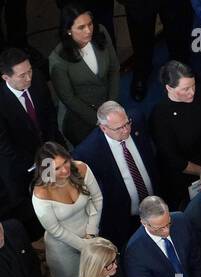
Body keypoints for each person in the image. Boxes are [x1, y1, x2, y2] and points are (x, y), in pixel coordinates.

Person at [71, 101, 160, 250]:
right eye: (119, 128)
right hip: (124, 217)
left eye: (127, 123)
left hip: (155, 203)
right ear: (103, 128)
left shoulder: (137, 120)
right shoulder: (88, 152)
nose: (126, 130)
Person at [149, 61, 201, 210]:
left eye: (193, 85)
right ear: (168, 88)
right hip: (183, 177)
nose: (192, 92)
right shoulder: (160, 116)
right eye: (185, 89)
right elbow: (174, 160)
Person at [31, 142, 102, 277]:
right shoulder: (41, 193)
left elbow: (97, 199)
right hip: (62, 248)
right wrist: (84, 246)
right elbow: (55, 230)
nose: (64, 170)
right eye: (57, 168)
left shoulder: (81, 168)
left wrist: (91, 233)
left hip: (90, 235)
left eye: (65, 162)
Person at [0, 50, 64, 224]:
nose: (29, 78)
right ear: (6, 78)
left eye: (30, 71)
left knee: (56, 191)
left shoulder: (37, 82)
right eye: (22, 75)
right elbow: (4, 145)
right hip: (20, 165)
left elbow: (50, 115)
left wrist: (49, 150)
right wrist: (36, 163)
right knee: (31, 206)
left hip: (47, 151)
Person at [47, 4, 119, 146]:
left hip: (108, 104)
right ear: (68, 30)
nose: (88, 31)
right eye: (81, 27)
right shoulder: (58, 60)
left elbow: (114, 69)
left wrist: (111, 104)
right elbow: (69, 98)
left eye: (90, 24)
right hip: (80, 117)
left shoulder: (101, 33)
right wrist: (99, 120)